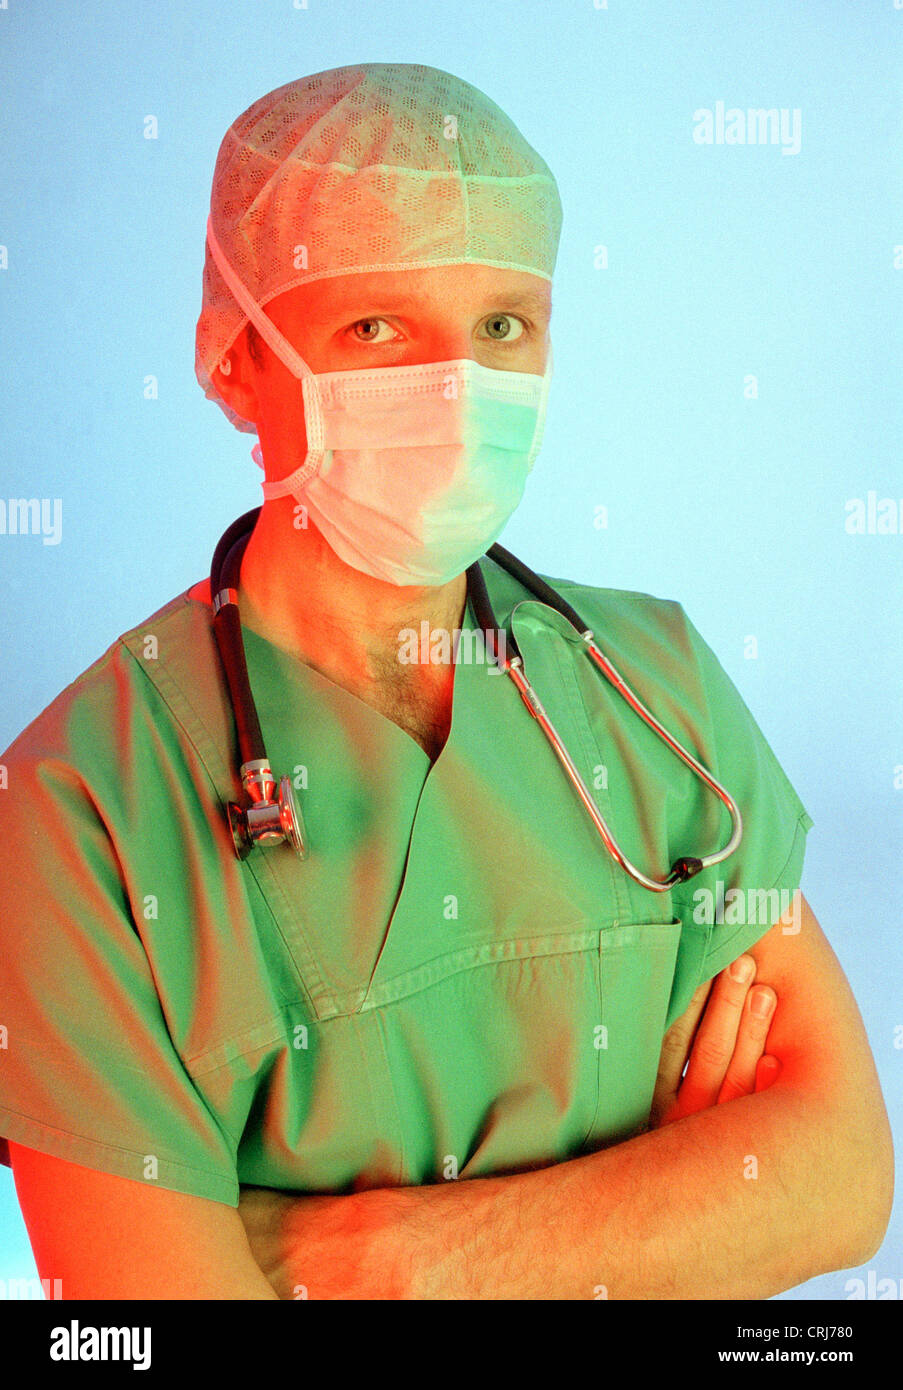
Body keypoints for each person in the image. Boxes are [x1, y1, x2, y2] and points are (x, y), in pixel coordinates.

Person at [0, 64, 892, 1301]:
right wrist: (658, 1210)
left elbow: (839, 1177)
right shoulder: (77, 810)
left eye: (502, 327)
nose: (457, 393)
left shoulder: (651, 686)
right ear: (233, 358)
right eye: (375, 329)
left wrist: (388, 1257)